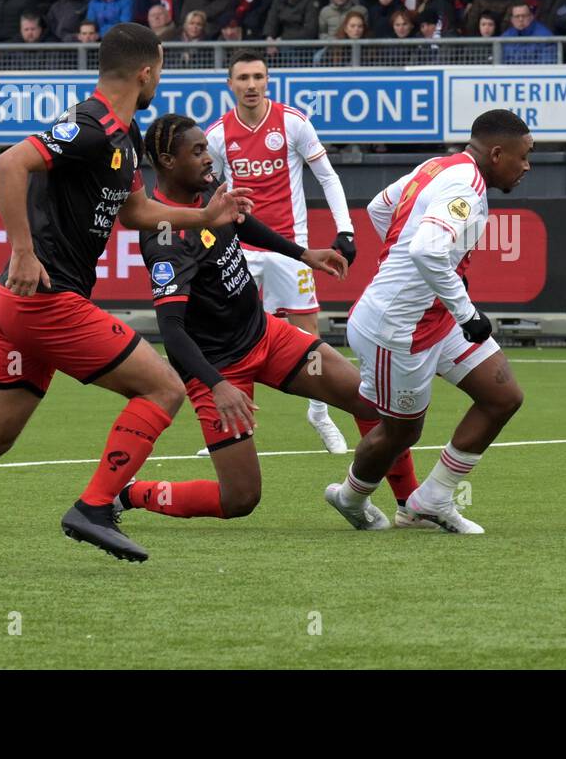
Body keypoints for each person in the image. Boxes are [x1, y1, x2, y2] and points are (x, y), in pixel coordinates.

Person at [0, 24, 253, 568]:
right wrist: (22, 250)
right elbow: (9, 164)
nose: (161, 78)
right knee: (163, 389)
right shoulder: (90, 125)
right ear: (146, 71)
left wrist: (202, 215)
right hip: (46, 299)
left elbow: (134, 211)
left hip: (24, 305)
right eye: (161, 69)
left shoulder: (123, 137)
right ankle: (95, 506)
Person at [125, 114, 416, 521]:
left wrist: (303, 253)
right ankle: (132, 493)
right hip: (218, 369)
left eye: (206, 148)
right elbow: (170, 331)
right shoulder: (165, 235)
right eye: (197, 152)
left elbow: (241, 224)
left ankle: (410, 505)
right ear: (167, 162)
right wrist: (217, 385)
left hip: (267, 337)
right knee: (240, 499)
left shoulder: (206, 190)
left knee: (368, 401)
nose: (209, 159)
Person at [326, 111, 532, 534]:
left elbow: (380, 207)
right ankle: (348, 498)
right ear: (497, 153)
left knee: (503, 395)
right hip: (397, 330)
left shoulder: (441, 164)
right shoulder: (467, 187)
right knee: (401, 434)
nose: (527, 166)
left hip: (433, 318)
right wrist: (466, 312)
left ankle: (431, 500)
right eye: (524, 156)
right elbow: (426, 251)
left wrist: (408, 263)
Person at [205, 53, 360, 454]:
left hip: (293, 247)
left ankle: (320, 414)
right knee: (228, 331)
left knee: (307, 333)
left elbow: (327, 176)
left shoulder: (293, 122)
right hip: (240, 247)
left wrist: (345, 229)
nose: (251, 84)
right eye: (243, 78)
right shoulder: (218, 134)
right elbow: (212, 193)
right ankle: (228, 425)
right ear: (231, 84)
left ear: (268, 81)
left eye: (258, 76)